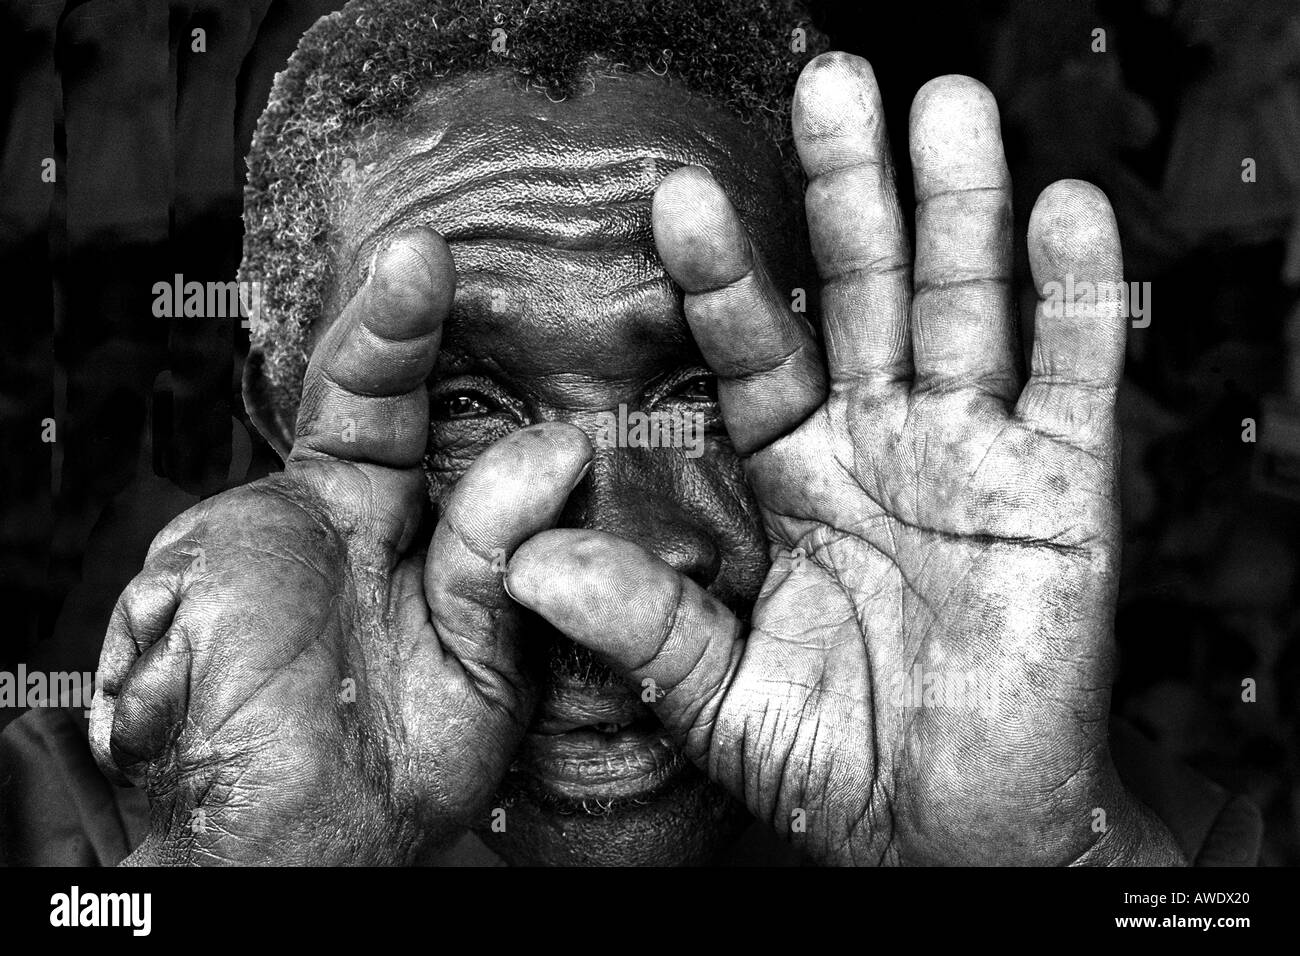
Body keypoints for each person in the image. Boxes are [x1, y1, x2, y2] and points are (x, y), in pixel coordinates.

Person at [0, 0, 1262, 866]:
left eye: (698, 394)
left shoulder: (1107, 814)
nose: (614, 564)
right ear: (281, 427)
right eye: (466, 408)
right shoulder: (90, 819)